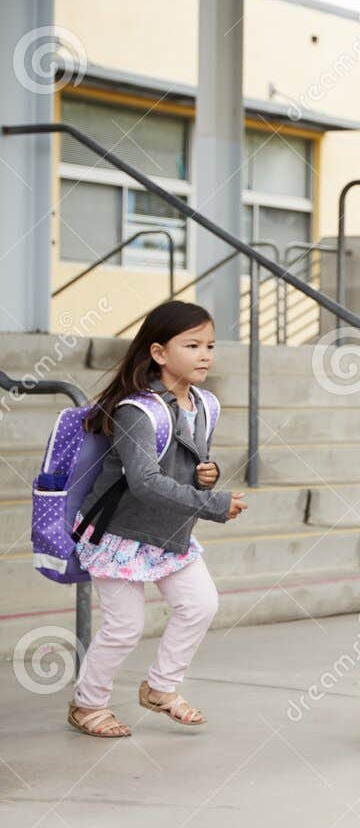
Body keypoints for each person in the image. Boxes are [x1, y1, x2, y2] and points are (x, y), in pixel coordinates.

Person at [67, 301, 248, 738]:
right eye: (192, 345)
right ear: (159, 353)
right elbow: (145, 480)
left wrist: (209, 474)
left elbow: (190, 463)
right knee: (124, 626)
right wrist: (214, 504)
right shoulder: (136, 409)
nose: (206, 355)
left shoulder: (204, 403)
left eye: (209, 345)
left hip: (166, 531)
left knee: (200, 604)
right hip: (118, 533)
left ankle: (160, 688)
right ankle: (86, 704)